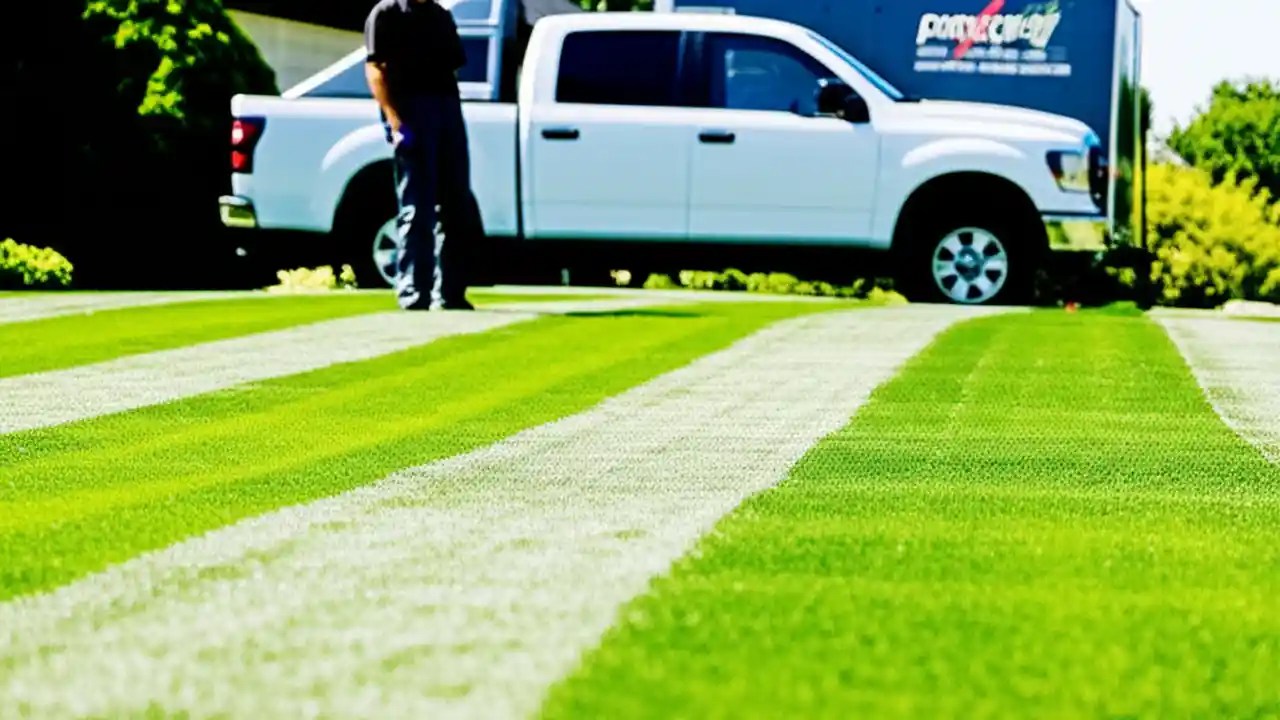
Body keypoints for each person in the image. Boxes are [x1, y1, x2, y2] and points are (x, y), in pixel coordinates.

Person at [364, 0, 482, 311]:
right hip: (410, 110)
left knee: (456, 204)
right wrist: (395, 120)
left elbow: (452, 66)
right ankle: (414, 292)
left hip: (446, 109)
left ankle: (451, 293)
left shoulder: (440, 16)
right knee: (417, 207)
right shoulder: (386, 14)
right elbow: (376, 69)